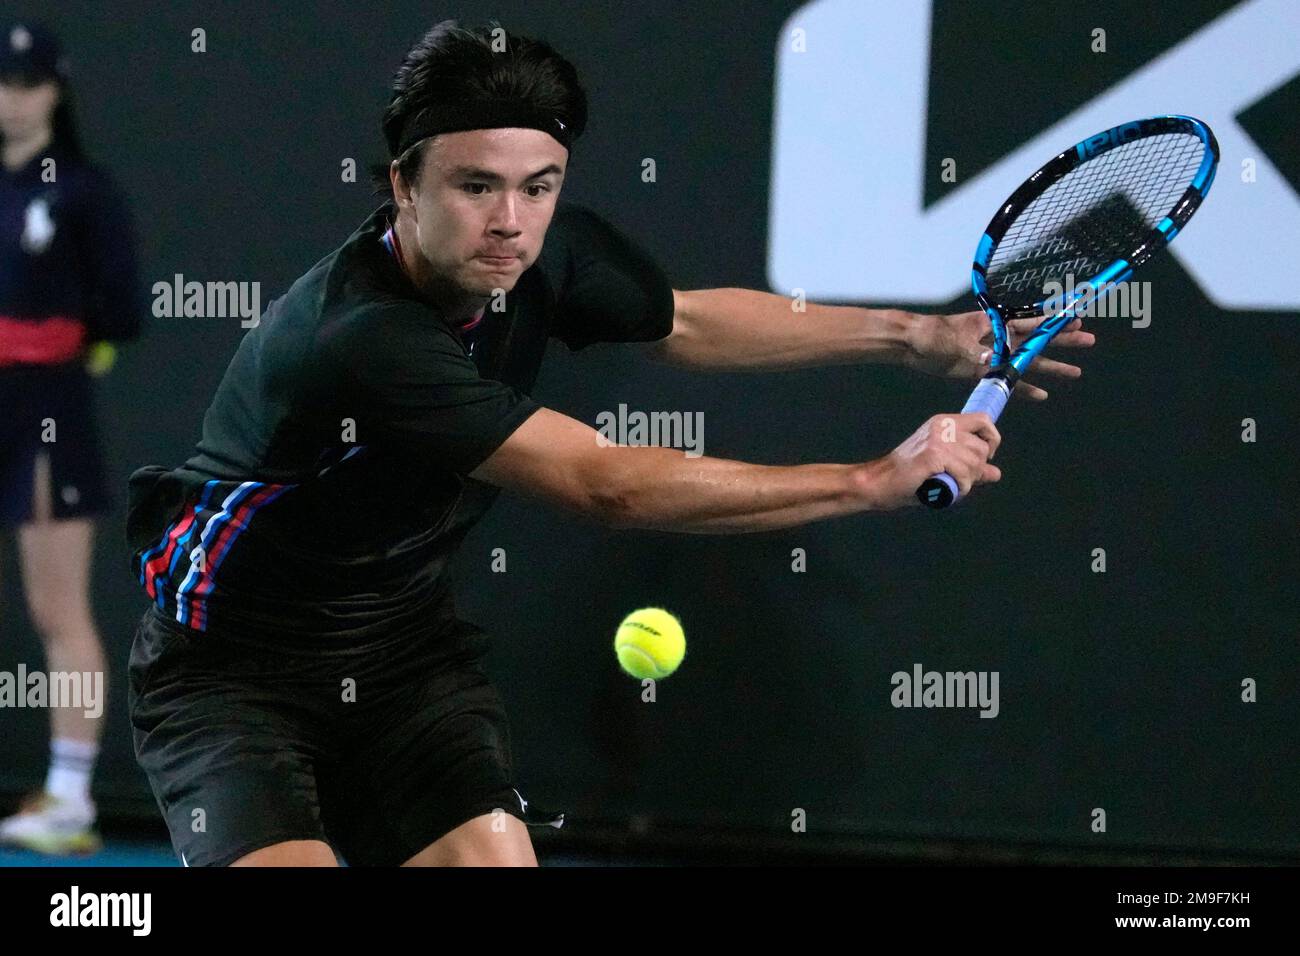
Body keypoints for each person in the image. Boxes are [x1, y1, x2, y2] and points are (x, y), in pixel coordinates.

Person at [126, 20, 1093, 867]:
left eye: (537, 187)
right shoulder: (360, 339)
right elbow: (604, 486)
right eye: (475, 186)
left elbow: (689, 323)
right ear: (401, 185)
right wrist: (875, 479)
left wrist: (913, 336)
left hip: (401, 656)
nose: (511, 222)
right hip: (231, 676)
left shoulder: (548, 251)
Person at [0, 21, 143, 854]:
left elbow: (122, 309)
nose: (11, 100)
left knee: (58, 605)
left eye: (26, 83)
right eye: (2, 83)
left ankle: (68, 798)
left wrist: (49, 341)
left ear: (55, 92)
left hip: (46, 413)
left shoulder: (85, 193)